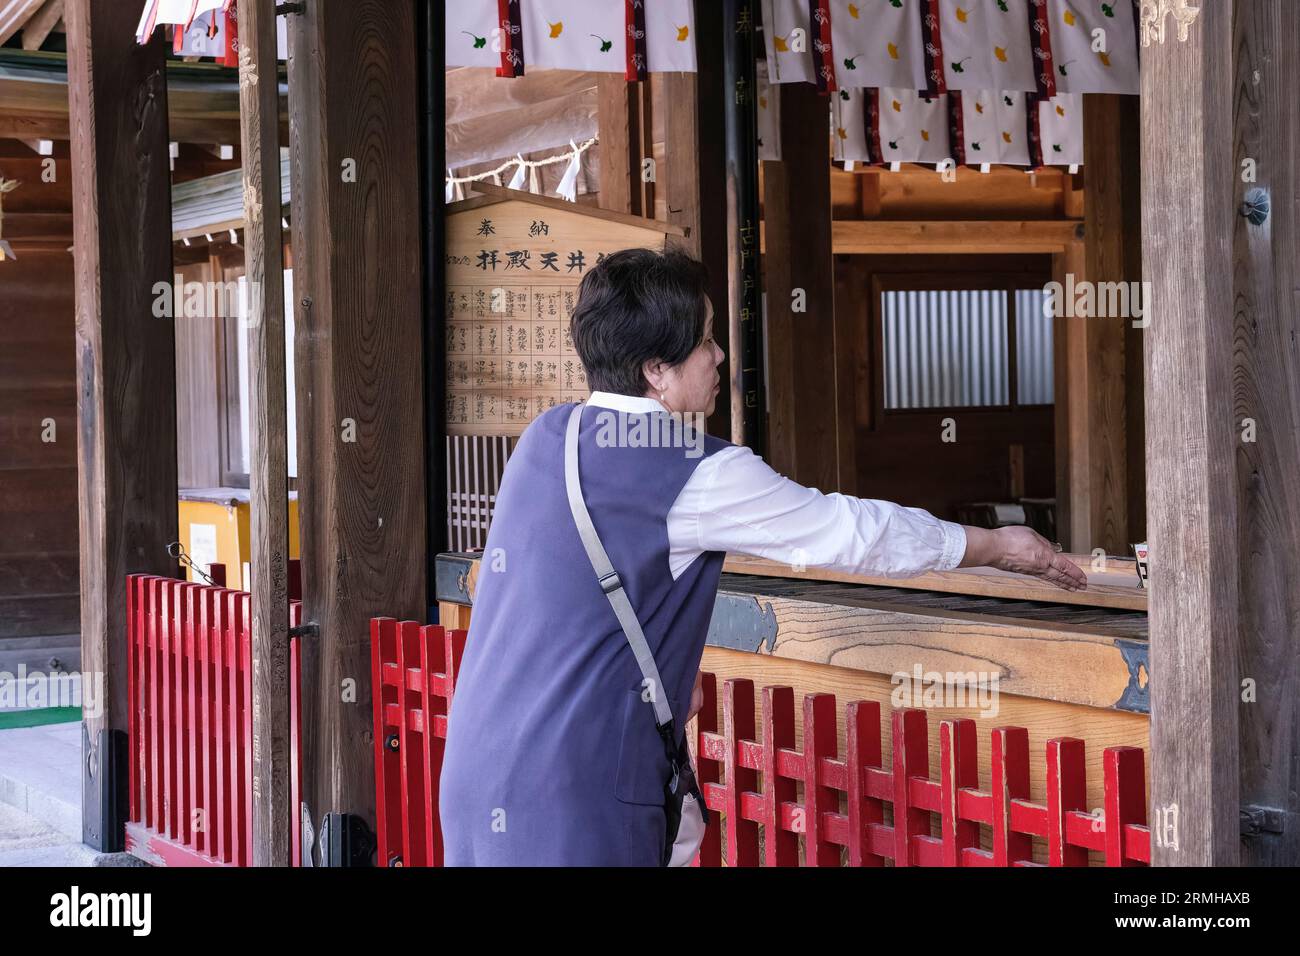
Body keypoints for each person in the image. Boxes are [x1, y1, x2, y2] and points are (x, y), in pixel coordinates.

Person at [438, 248, 1086, 866]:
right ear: (655, 371)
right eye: (705, 342)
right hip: (572, 798)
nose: (720, 357)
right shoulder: (693, 471)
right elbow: (850, 533)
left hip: (476, 772)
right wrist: (997, 546)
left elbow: (557, 592)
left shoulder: (547, 437)